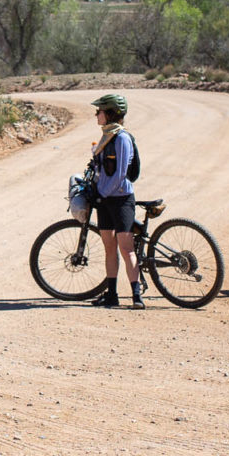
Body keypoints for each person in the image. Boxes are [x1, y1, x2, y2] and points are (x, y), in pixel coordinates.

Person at [85, 93, 142, 308]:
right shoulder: (106, 136)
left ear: (109, 113)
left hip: (120, 200)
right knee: (109, 247)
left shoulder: (122, 138)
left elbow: (120, 175)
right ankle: (112, 294)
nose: (96, 115)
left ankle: (136, 295)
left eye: (98, 111)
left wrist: (102, 193)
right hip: (106, 200)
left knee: (126, 248)